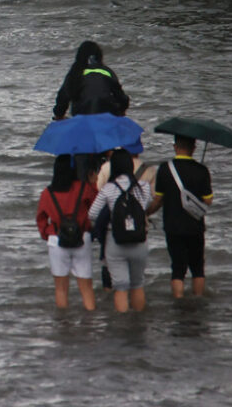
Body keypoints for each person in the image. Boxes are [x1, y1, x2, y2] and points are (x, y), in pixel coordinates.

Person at [148, 134, 214, 299]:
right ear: (194, 148)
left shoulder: (165, 169)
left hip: (173, 226)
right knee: (198, 267)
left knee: (177, 267)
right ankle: (198, 298)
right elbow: (208, 200)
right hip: (195, 226)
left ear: (175, 147)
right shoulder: (202, 170)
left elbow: (158, 199)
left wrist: (147, 213)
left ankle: (178, 299)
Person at [89, 148, 153, 312]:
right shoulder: (143, 187)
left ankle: (122, 327)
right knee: (138, 284)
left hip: (115, 241)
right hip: (140, 240)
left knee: (121, 286)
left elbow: (93, 213)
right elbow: (146, 207)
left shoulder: (109, 189)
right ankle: (138, 324)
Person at [35, 154, 97, 310]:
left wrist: (47, 233)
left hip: (57, 240)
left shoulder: (47, 193)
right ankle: (91, 324)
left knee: (61, 288)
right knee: (86, 287)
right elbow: (95, 209)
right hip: (82, 238)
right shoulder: (83, 188)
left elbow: (41, 218)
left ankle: (64, 325)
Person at [52, 40, 130, 119]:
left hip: (81, 116)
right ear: (99, 56)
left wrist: (59, 115)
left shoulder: (75, 73)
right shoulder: (107, 72)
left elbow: (62, 98)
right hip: (107, 115)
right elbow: (121, 97)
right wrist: (122, 111)